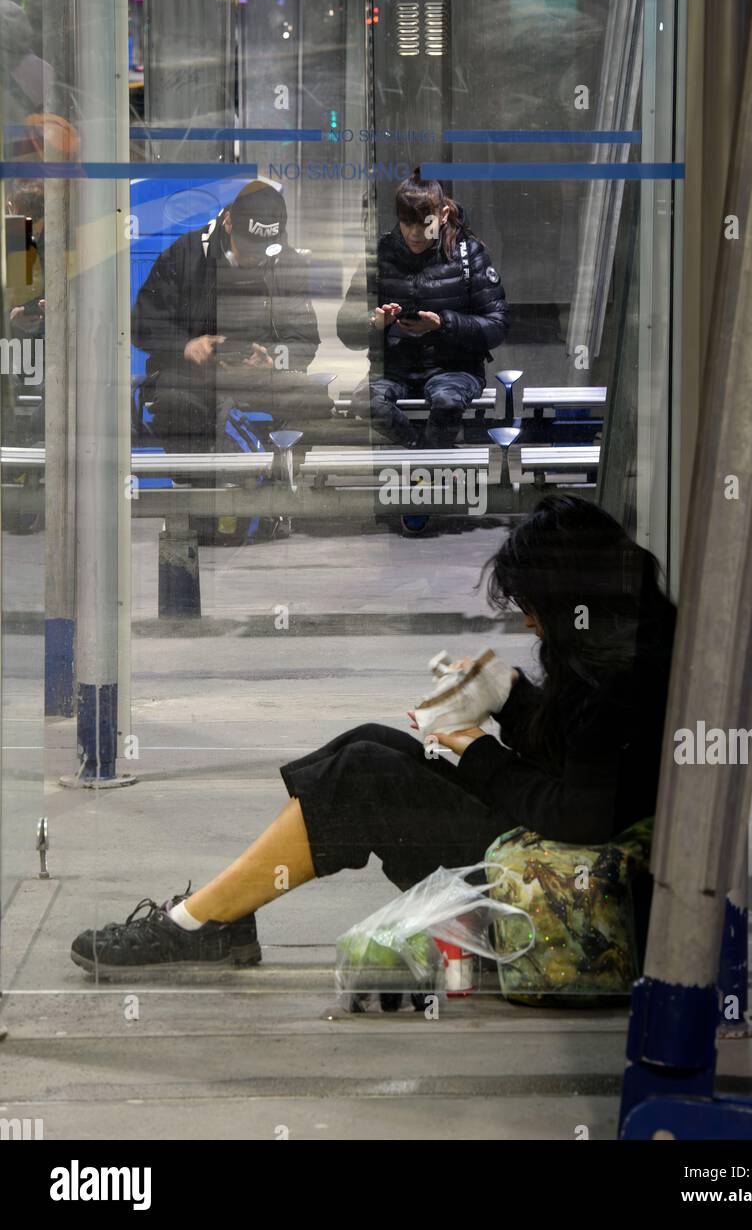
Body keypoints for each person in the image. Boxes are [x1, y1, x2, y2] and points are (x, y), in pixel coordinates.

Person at [69, 495, 676, 978]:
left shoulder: (617, 676)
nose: (525, 618)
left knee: (362, 775)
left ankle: (200, 924)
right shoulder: (624, 641)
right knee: (367, 743)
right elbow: (581, 762)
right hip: (568, 847)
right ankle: (217, 914)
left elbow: (579, 813)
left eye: (532, 605)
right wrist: (514, 697)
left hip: (562, 880)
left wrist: (474, 747)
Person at [132, 179, 326, 452]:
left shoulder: (286, 262)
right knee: (177, 404)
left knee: (314, 399)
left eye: (265, 251)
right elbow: (142, 323)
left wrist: (272, 358)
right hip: (194, 379)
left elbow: (305, 339)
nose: (255, 260)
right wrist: (186, 347)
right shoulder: (185, 255)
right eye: (247, 249)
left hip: (259, 378)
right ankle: (211, 475)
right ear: (228, 222)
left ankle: (274, 473)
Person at [337, 168, 508, 449]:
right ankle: (422, 451)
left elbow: (498, 325)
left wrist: (444, 324)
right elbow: (345, 328)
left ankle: (426, 458)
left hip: (454, 368)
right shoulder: (380, 254)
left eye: (425, 223)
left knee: (447, 401)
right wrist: (375, 322)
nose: (415, 233)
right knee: (368, 403)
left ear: (442, 216)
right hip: (394, 370)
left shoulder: (468, 254)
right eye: (407, 223)